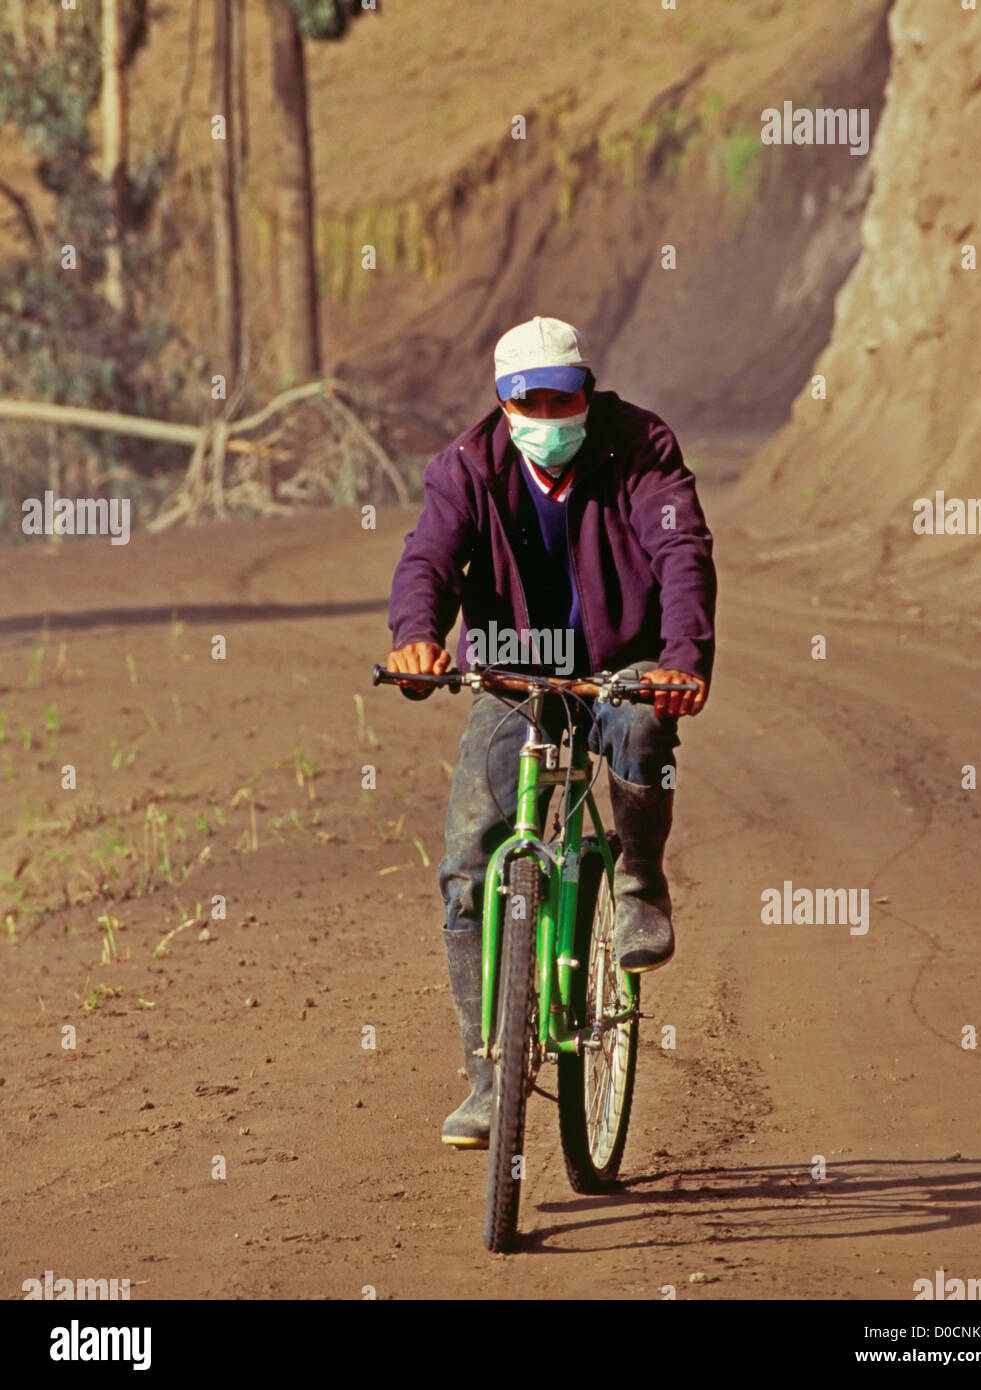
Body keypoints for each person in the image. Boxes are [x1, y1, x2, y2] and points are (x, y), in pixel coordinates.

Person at [385, 315, 717, 1148]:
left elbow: (682, 551)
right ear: (504, 406)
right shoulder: (468, 466)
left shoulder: (639, 445)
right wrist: (417, 635)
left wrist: (683, 656)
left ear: (586, 392)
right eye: (531, 401)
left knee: (641, 733)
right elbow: (429, 557)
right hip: (513, 673)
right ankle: (488, 1080)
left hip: (623, 663)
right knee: (467, 864)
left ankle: (638, 883)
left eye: (563, 398)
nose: (550, 414)